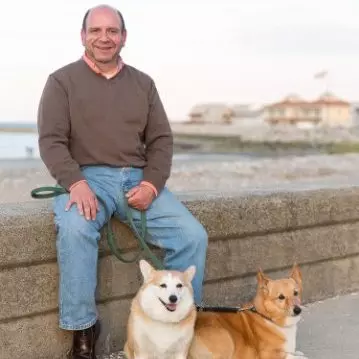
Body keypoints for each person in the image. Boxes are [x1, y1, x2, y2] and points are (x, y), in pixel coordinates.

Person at [37, 4, 208, 359]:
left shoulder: (143, 84)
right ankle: (83, 332)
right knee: (74, 228)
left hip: (137, 177)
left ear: (123, 37)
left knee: (192, 236)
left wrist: (150, 184)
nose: (104, 37)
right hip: (88, 179)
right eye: (96, 31)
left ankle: (183, 325)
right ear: (83, 36)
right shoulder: (61, 81)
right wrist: (75, 183)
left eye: (112, 31)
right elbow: (51, 140)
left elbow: (161, 140)